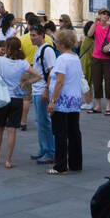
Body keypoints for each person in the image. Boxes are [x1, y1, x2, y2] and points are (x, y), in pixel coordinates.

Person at [0, 37, 39, 169]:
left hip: (1, 98)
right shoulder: (22, 63)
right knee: (12, 130)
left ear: (7, 48)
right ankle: (8, 160)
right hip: (16, 98)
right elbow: (38, 76)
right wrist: (25, 83)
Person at [46, 28, 84, 174]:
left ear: (61, 43)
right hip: (74, 99)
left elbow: (60, 81)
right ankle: (76, 163)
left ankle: (61, 165)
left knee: (60, 133)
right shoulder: (76, 57)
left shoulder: (62, 59)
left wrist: (53, 101)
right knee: (74, 132)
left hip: (62, 101)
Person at [28, 25, 58, 164]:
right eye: (31, 35)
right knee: (39, 122)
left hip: (42, 91)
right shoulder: (39, 49)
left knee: (44, 122)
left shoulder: (47, 50)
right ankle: (44, 149)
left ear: (42, 35)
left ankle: (51, 151)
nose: (32, 38)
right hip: (37, 89)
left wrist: (47, 89)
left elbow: (52, 71)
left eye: (34, 35)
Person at [89, 7, 110, 115]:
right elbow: (89, 34)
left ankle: (108, 106)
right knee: (96, 82)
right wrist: (95, 21)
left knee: (109, 82)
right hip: (96, 57)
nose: (105, 16)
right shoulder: (96, 26)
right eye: (103, 14)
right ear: (99, 15)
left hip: (108, 59)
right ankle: (97, 105)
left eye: (107, 15)